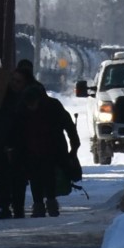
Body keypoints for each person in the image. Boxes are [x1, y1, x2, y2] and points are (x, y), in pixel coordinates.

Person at [0, 58, 42, 219]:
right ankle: (5, 207)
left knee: (18, 177)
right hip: (2, 141)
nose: (14, 84)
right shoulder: (3, 94)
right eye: (13, 80)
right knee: (2, 176)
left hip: (22, 143)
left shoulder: (32, 95)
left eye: (18, 81)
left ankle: (18, 208)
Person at [31, 83, 81, 218]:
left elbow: (68, 125)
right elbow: (69, 125)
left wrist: (74, 144)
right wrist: (74, 144)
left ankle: (40, 206)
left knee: (40, 177)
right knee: (47, 176)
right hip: (51, 148)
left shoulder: (30, 106)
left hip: (47, 148)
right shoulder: (53, 104)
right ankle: (48, 205)